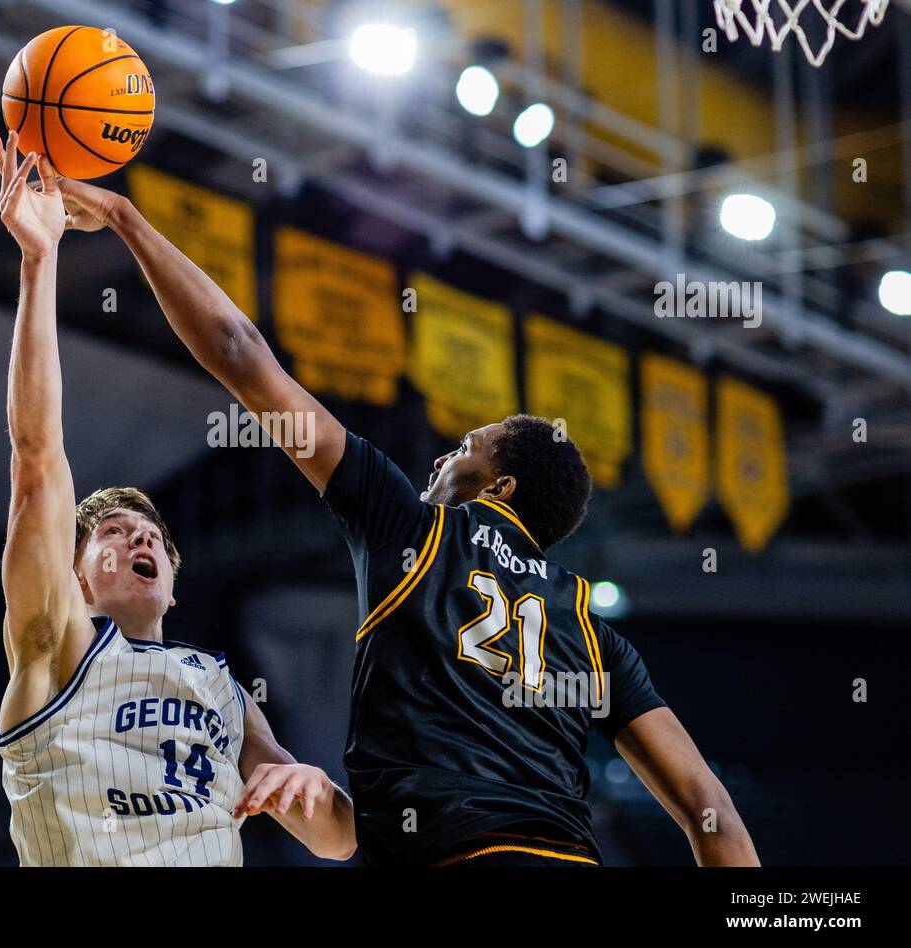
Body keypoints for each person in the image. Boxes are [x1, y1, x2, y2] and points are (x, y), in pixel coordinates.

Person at [54, 173, 760, 867]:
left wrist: (127, 218)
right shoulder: (594, 632)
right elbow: (710, 809)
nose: (439, 464)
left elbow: (240, 351)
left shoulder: (412, 527)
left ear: (499, 484)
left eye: (463, 449)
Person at [0, 131, 355, 866]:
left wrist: (313, 789)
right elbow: (36, 460)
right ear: (78, 575)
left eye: (152, 536)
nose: (142, 541)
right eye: (117, 535)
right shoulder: (55, 644)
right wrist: (40, 259)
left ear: (175, 585)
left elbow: (336, 839)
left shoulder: (220, 686)